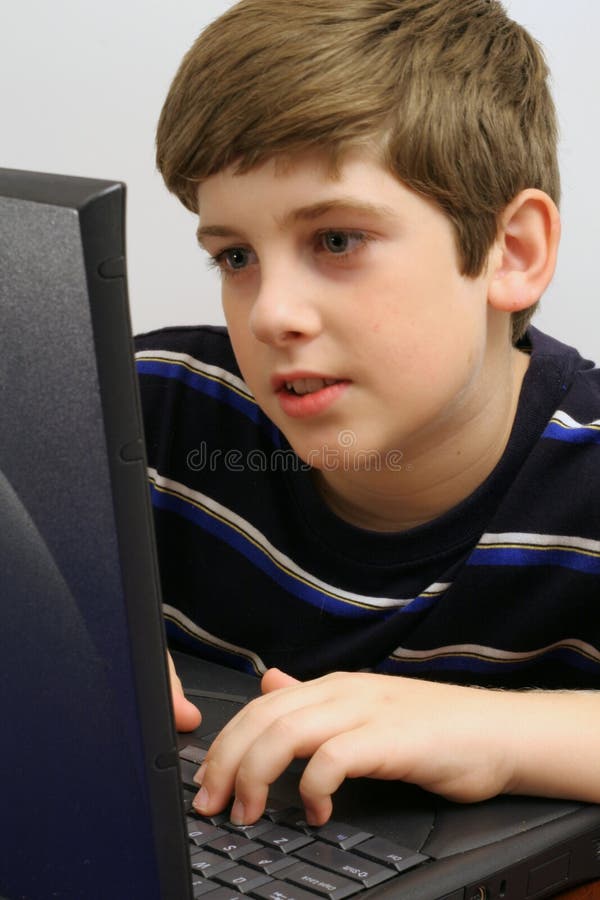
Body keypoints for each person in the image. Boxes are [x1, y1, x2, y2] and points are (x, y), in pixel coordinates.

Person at [136, 0, 600, 828]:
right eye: (235, 256)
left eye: (338, 240)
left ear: (513, 252)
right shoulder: (150, 410)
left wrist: (498, 730)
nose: (273, 313)